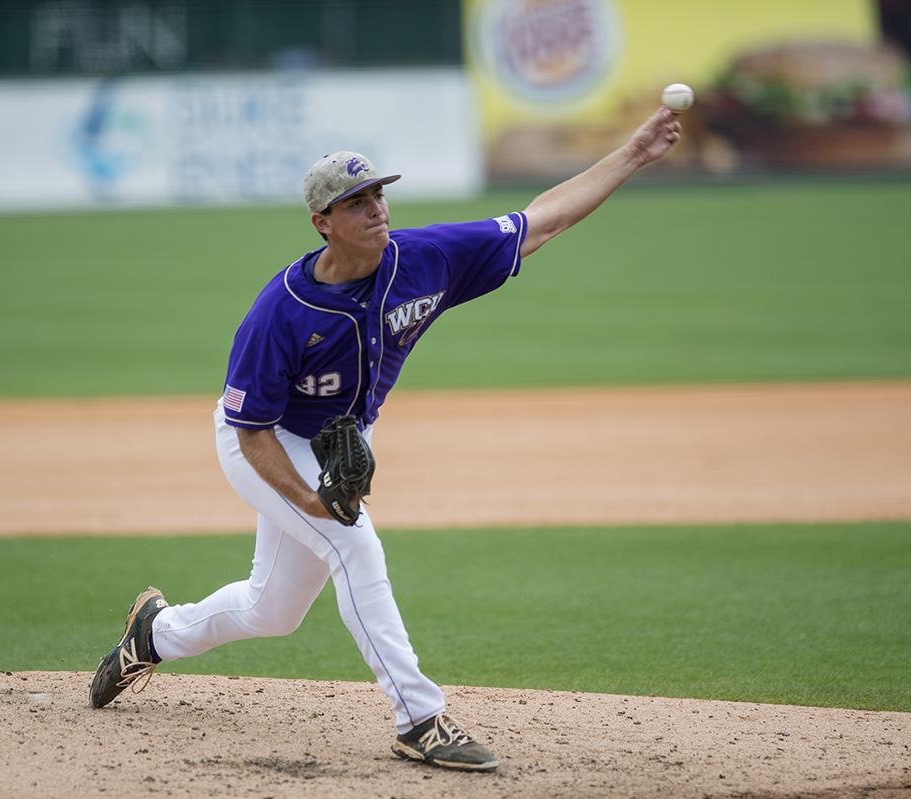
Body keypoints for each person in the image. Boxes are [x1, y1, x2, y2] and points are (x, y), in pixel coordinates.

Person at [90, 106, 682, 771]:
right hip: (265, 442)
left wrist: (634, 153)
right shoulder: (280, 313)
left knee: (273, 609)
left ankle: (154, 633)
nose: (375, 208)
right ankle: (419, 719)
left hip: (334, 439)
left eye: (377, 194)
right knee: (353, 545)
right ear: (322, 222)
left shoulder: (424, 259)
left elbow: (541, 221)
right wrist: (312, 500)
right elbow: (250, 432)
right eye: (356, 202)